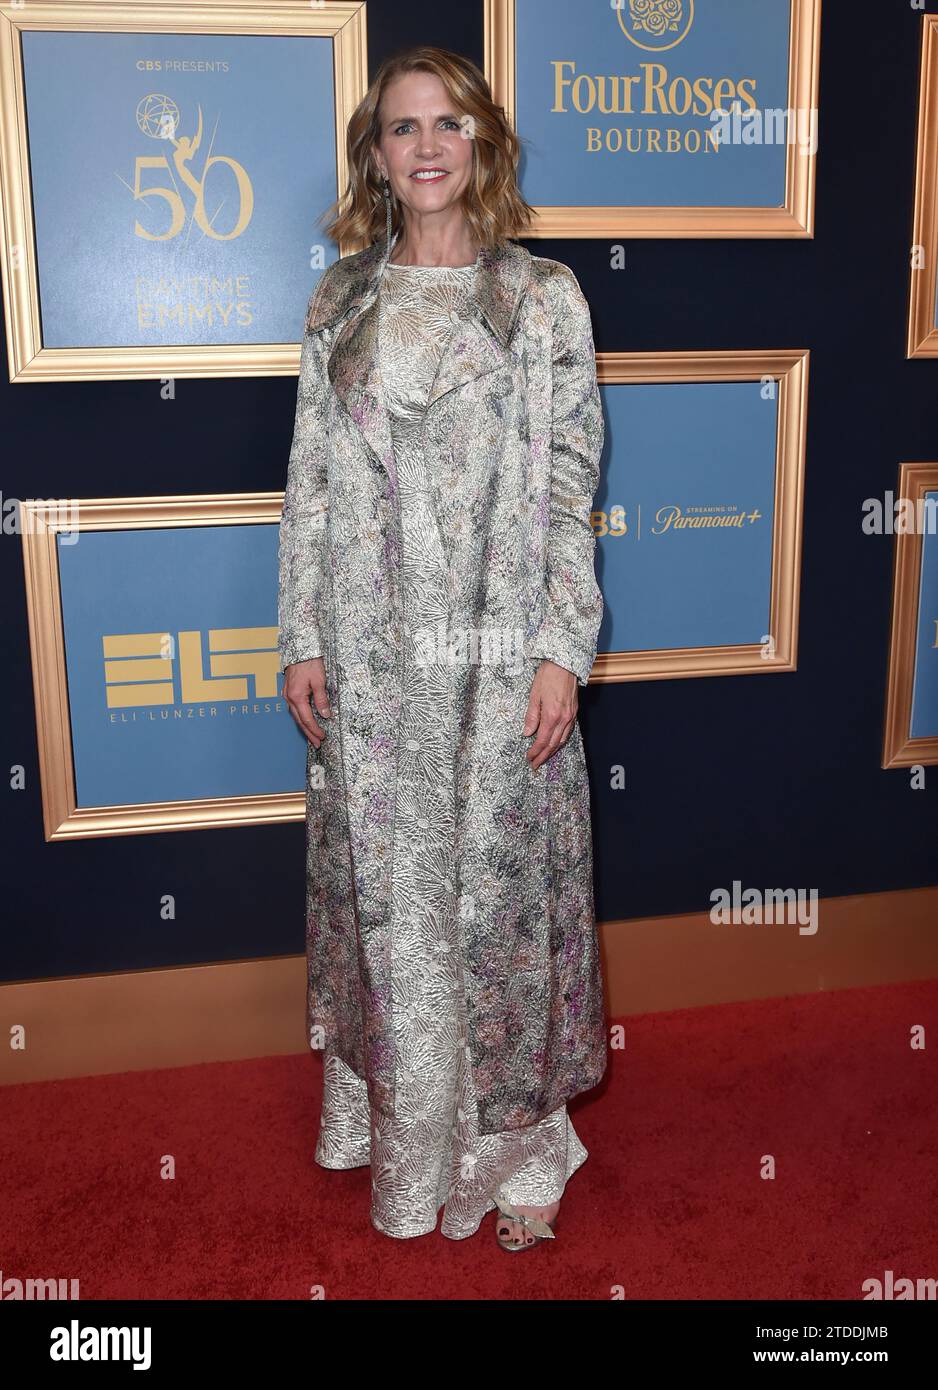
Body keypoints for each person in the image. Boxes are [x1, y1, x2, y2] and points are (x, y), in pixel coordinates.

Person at [277, 45, 607, 1251]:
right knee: (394, 898)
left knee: (497, 901)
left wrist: (560, 648)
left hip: (494, 642)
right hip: (370, 661)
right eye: (404, 127)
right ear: (375, 154)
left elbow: (571, 483)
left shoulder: (542, 299)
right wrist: (301, 634)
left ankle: (517, 1147)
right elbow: (308, 481)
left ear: (484, 147)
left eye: (450, 125)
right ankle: (408, 1138)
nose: (426, 147)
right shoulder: (338, 303)